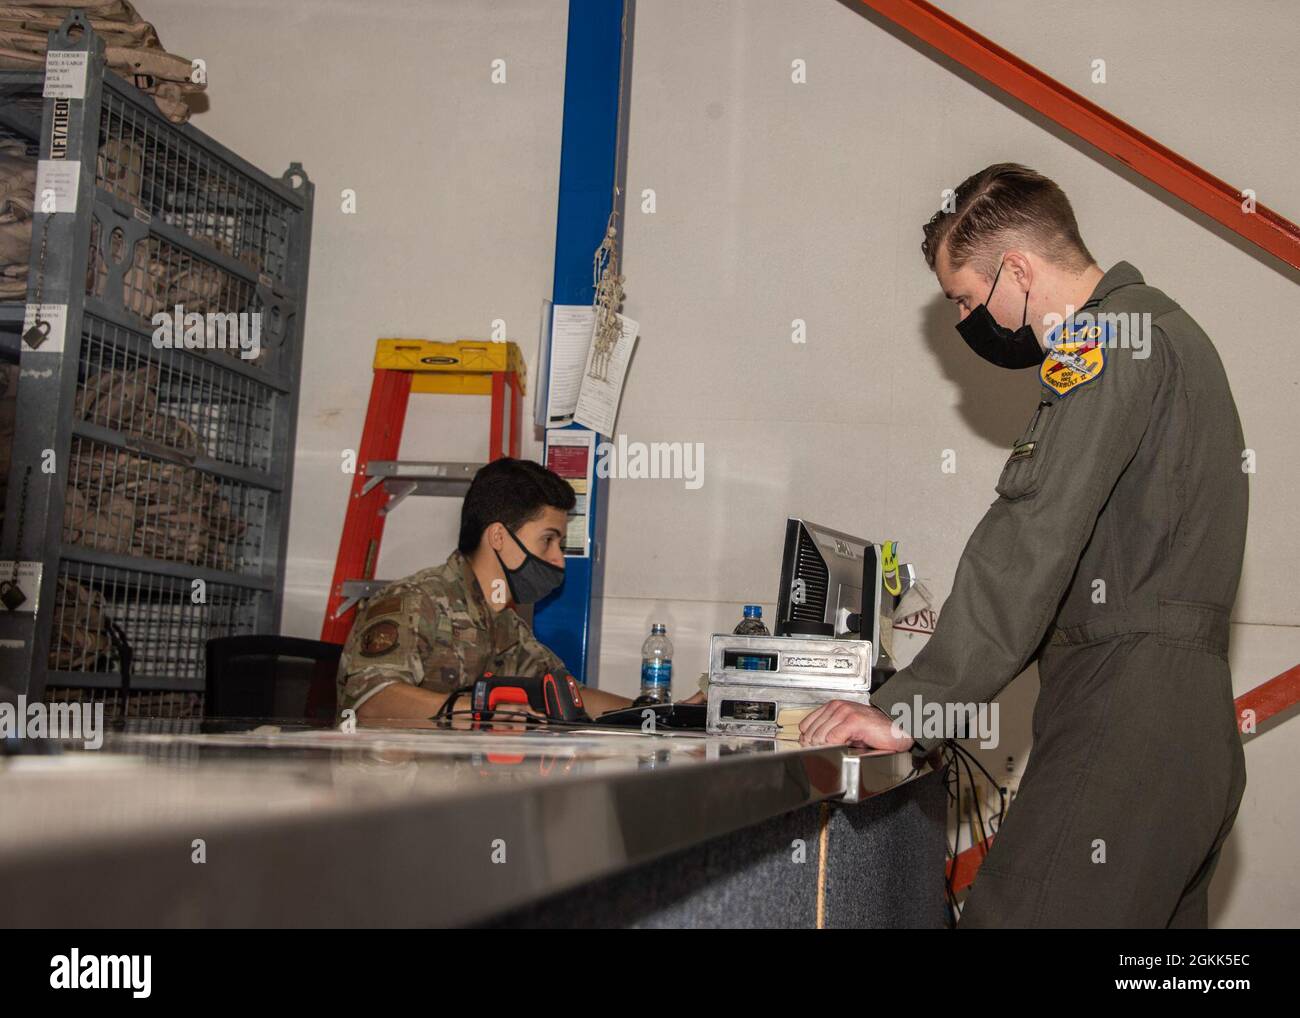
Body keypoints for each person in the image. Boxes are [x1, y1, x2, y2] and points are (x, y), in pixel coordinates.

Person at [800, 164, 1248, 928]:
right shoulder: (1169, 334)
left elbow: (1033, 532)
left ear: (1017, 267)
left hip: (1124, 717)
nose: (968, 321)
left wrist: (913, 707)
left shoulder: (1105, 341)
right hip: (1185, 728)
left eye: (967, 301)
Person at [336, 457, 633, 722]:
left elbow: (570, 697)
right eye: (548, 540)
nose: (558, 558)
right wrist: (476, 711)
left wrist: (655, 713)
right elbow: (371, 701)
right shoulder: (415, 602)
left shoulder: (504, 624)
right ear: (498, 537)